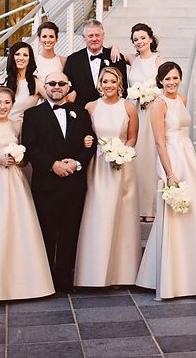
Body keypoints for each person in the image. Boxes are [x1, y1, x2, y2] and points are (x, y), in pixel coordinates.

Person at [136, 62, 196, 299]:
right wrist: (169, 173)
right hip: (171, 159)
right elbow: (159, 142)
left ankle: (193, 278)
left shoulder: (182, 98)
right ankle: (167, 278)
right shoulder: (157, 104)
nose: (172, 82)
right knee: (172, 217)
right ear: (160, 81)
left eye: (175, 78)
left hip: (187, 156)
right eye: (167, 79)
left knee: (192, 214)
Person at [0, 86, 54, 301]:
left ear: (12, 104)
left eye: (7, 103)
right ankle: (1, 287)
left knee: (21, 229)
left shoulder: (18, 126)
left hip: (16, 181)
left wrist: (20, 159)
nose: (2, 107)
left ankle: (27, 284)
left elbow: (26, 158)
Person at [21, 71, 97, 293]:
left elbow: (90, 145)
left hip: (74, 184)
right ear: (45, 86)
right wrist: (52, 164)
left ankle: (64, 281)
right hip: (46, 183)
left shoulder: (80, 113)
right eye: (51, 83)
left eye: (61, 83)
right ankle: (43, 282)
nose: (56, 87)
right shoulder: (33, 114)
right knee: (45, 232)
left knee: (69, 233)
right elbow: (30, 147)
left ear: (68, 86)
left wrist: (76, 163)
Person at [75, 67, 141, 287]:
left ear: (119, 82)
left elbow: (132, 139)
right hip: (98, 167)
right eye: (105, 81)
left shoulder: (129, 107)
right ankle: (94, 274)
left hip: (122, 168)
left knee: (122, 218)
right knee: (98, 215)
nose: (109, 85)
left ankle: (123, 274)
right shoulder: (90, 107)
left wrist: (121, 155)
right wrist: (86, 141)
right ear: (99, 83)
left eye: (113, 81)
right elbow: (84, 134)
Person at [121, 23, 164, 222]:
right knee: (137, 159)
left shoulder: (158, 61)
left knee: (150, 158)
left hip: (151, 114)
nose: (139, 42)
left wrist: (152, 96)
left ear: (151, 39)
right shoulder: (132, 59)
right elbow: (114, 53)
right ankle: (137, 208)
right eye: (135, 39)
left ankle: (152, 208)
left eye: (142, 38)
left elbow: (166, 87)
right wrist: (113, 48)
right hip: (135, 113)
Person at [63, 19, 129, 106]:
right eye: (90, 36)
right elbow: (66, 84)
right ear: (84, 38)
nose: (94, 39)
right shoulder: (73, 60)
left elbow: (123, 88)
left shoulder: (116, 57)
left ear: (103, 36)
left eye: (97, 35)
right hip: (82, 111)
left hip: (109, 110)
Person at [4, 41, 42, 121]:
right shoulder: (2, 83)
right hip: (3, 130)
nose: (21, 58)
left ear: (30, 59)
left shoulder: (37, 83)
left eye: (25, 55)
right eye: (17, 54)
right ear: (12, 57)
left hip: (25, 130)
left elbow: (54, 102)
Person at [34, 21, 66, 85]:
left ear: (56, 39)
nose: (48, 40)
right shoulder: (34, 60)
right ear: (39, 39)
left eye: (51, 36)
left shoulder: (63, 61)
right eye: (44, 36)